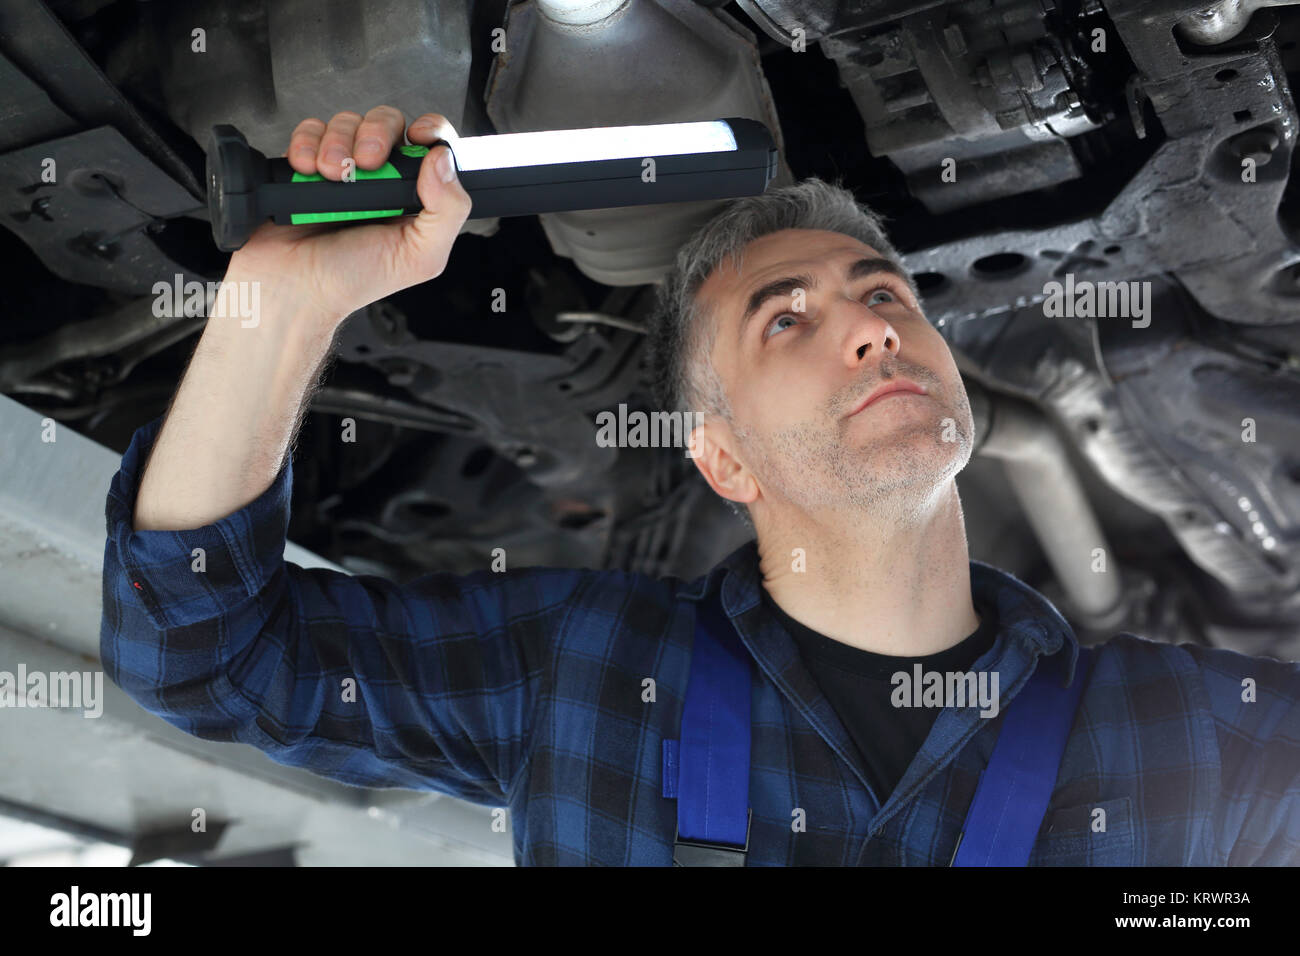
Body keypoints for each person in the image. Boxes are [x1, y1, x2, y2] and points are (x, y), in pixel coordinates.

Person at [100, 106, 1300, 865]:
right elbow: (207, 652)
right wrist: (280, 302)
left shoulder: (1204, 736)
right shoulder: (572, 665)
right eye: (790, 321)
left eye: (885, 295)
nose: (873, 329)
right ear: (720, 456)